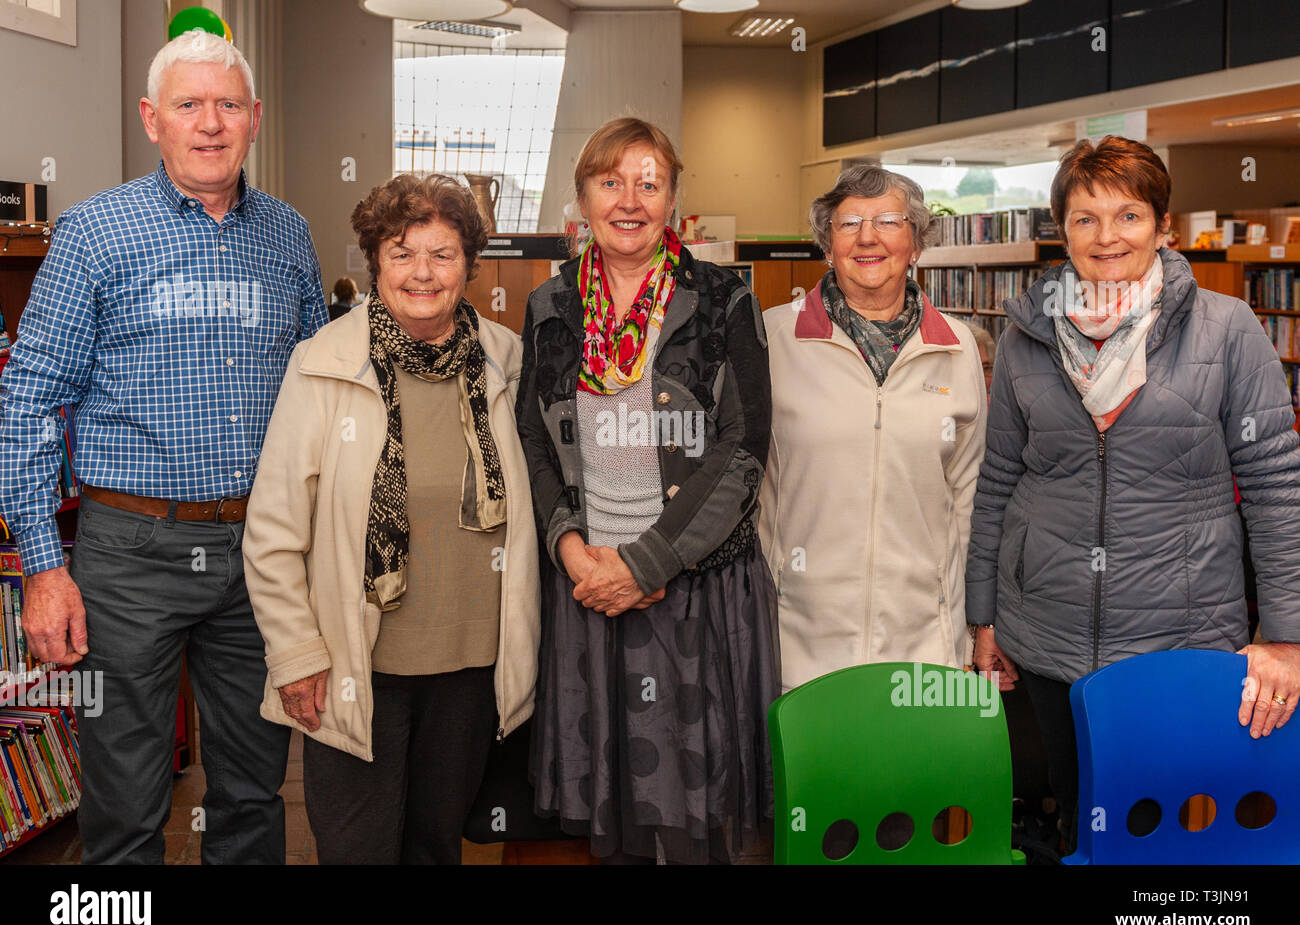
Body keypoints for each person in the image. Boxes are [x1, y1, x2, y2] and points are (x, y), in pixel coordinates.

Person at [0, 30, 328, 864]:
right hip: (128, 555)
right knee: (125, 800)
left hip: (262, 551)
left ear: (254, 118)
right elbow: (29, 397)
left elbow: (324, 399)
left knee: (255, 791)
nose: (209, 124)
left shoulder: (289, 236)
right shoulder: (93, 233)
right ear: (153, 119)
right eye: (188, 105)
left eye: (226, 105)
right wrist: (42, 567)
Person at [966, 135, 1300, 854]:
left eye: (1128, 216)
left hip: (1177, 634)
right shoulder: (1029, 335)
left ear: (1163, 227)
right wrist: (983, 614)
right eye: (1085, 218)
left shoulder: (1227, 330)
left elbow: (1278, 486)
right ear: (1063, 230)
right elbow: (996, 481)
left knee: (1167, 829)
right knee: (1080, 815)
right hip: (1049, 632)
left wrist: (1285, 633)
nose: (1106, 236)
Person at [242, 173, 539, 865]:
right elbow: (274, 531)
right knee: (358, 851)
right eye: (402, 253)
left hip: (471, 664)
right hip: (356, 661)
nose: (423, 273)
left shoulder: (508, 360)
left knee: (436, 848)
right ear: (375, 262)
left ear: (470, 264)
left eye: (443, 254)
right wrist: (294, 655)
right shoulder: (322, 364)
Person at [517, 117, 779, 865]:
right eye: (610, 182)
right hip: (589, 589)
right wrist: (572, 551)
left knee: (697, 819)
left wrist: (649, 564)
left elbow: (744, 449)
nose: (628, 200)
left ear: (673, 200)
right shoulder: (550, 307)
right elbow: (533, 439)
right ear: (583, 198)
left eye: (648, 182)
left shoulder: (725, 302)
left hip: (694, 589)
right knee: (618, 818)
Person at [758, 165, 987, 692]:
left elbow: (969, 494)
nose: (867, 236)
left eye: (887, 220)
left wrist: (977, 621)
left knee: (913, 776)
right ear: (827, 245)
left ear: (916, 241)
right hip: (800, 637)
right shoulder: (772, 337)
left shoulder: (956, 346)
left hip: (925, 641)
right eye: (849, 223)